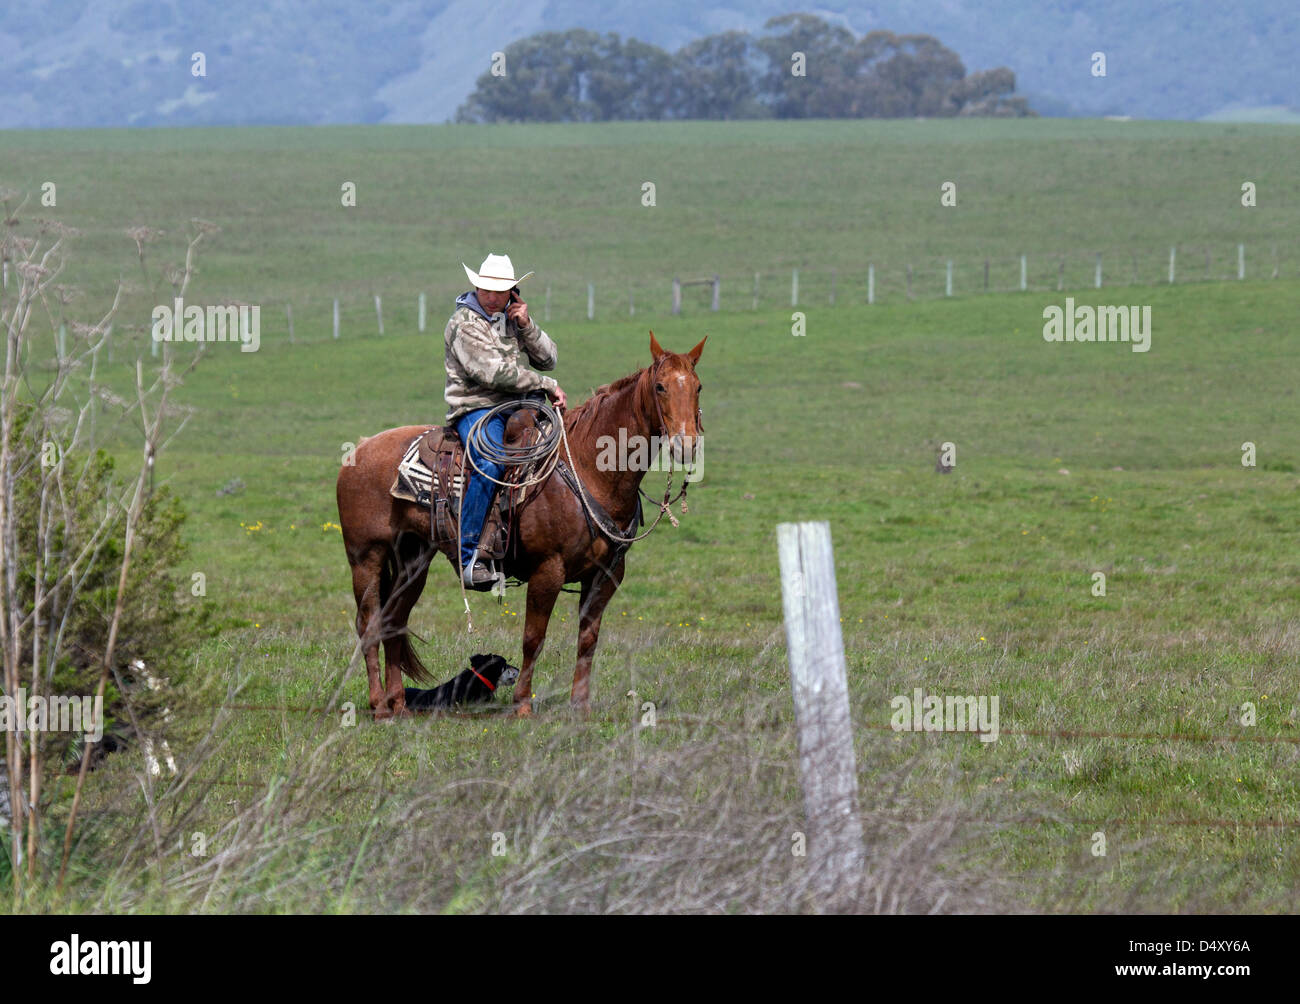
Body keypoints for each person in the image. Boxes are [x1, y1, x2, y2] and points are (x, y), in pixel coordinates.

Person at [443, 253, 567, 589]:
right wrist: (546, 386)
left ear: (513, 292)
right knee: (491, 461)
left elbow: (549, 358)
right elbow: (493, 373)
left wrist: (527, 325)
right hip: (477, 408)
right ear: (477, 286)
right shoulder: (464, 324)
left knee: (562, 455)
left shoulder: (510, 318)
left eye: (501, 291)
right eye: (487, 289)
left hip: (519, 407)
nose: (493, 296)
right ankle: (469, 556)